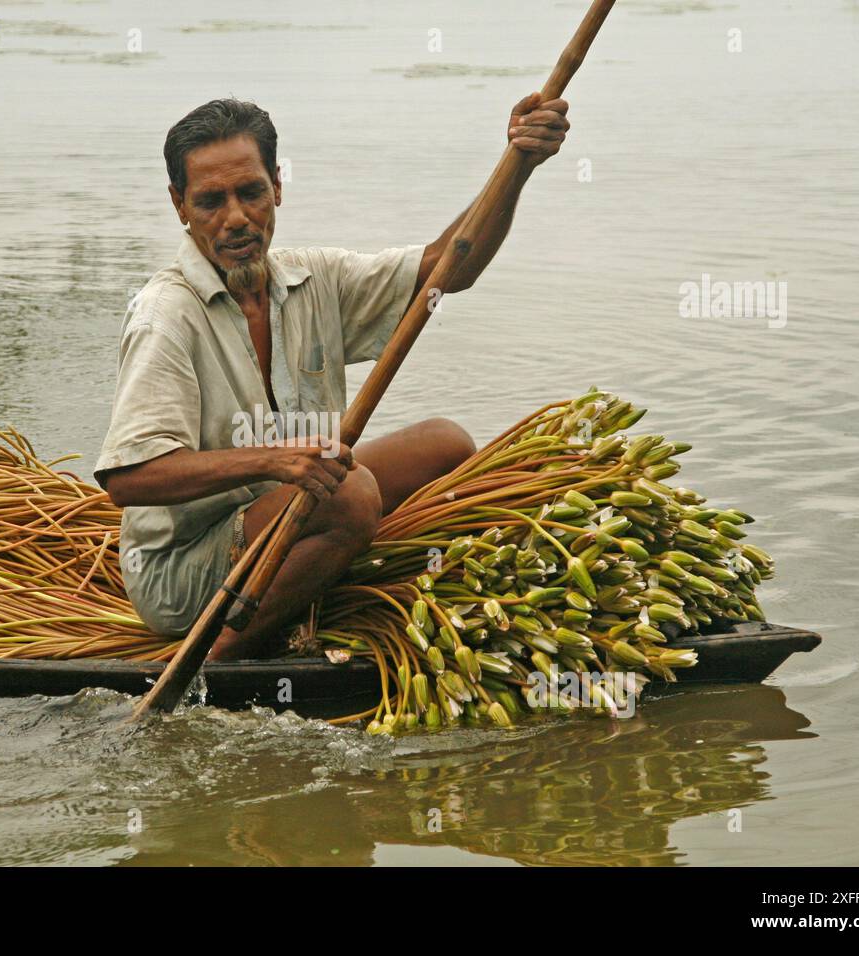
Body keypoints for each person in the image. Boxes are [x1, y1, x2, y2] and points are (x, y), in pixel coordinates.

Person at [95, 94, 570, 660]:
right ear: (179, 205)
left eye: (251, 193)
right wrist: (275, 460)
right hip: (186, 566)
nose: (236, 218)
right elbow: (129, 479)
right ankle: (219, 656)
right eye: (210, 201)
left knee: (447, 445)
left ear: (277, 186)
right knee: (349, 494)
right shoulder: (165, 315)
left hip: (288, 510)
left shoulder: (312, 280)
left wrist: (516, 164)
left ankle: (323, 568)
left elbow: (452, 265)